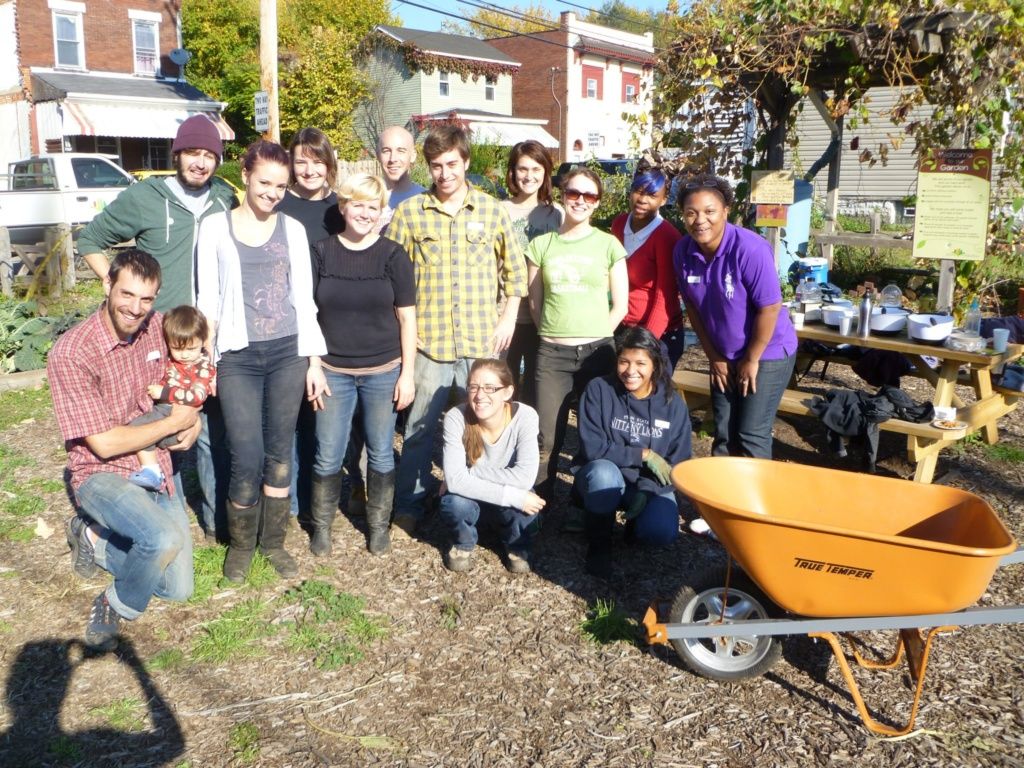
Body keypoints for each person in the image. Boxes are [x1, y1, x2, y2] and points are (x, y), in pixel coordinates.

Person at [78, 114, 235, 543]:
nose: (200, 163)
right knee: (159, 423)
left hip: (208, 336)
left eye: (209, 155)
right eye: (192, 153)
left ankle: (213, 520)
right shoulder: (147, 197)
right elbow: (90, 239)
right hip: (160, 337)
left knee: (206, 428)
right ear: (177, 154)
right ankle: (142, 512)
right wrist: (122, 294)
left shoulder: (225, 198)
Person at [49, 249, 201, 651]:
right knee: (162, 541)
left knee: (177, 587)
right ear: (106, 285)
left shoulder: (158, 329)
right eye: (127, 295)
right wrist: (174, 422)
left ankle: (96, 538)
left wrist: (194, 418)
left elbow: (185, 380)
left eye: (147, 299)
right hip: (100, 473)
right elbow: (104, 443)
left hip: (157, 463)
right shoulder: (72, 353)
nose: (136, 309)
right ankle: (114, 601)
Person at [196, 140, 328, 582]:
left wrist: (313, 361)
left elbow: (304, 300)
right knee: (245, 454)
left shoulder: (291, 229)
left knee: (279, 455)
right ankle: (240, 546)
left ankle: (272, 543)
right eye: (265, 183)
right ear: (246, 176)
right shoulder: (215, 228)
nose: (272, 193)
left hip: (287, 352)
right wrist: (207, 361)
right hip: (237, 355)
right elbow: (207, 301)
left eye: (281, 186)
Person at [387, 124, 527, 536]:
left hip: (479, 346)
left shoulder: (491, 210)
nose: (445, 173)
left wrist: (507, 317)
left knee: (483, 429)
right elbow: (392, 275)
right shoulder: (410, 213)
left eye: (452, 164)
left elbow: (514, 271)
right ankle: (409, 503)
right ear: (427, 167)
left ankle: (481, 499)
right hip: (429, 345)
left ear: (466, 162)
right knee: (417, 432)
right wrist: (402, 335)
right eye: (436, 166)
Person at [309, 173, 416, 556]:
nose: (365, 213)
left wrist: (408, 373)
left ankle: (377, 527)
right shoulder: (321, 252)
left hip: (383, 370)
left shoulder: (392, 255)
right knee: (329, 451)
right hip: (332, 372)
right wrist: (314, 364)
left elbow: (407, 318)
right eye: (358, 205)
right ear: (343, 206)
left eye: (373, 207)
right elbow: (307, 313)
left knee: (382, 450)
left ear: (382, 212)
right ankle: (321, 527)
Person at [673, 173, 797, 461]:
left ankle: (752, 505)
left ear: (725, 211)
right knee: (725, 430)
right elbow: (692, 307)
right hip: (724, 353)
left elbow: (770, 307)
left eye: (709, 211)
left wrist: (751, 358)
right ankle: (719, 503)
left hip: (766, 351)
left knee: (750, 433)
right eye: (691, 213)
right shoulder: (683, 251)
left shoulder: (750, 249)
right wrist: (714, 356)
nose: (699, 220)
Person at [527, 167, 629, 495]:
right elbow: (534, 303)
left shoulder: (609, 245)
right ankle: (536, 511)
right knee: (546, 438)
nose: (580, 201)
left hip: (597, 354)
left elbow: (621, 306)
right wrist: (555, 333)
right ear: (562, 195)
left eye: (589, 195)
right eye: (574, 193)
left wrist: (597, 335)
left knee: (594, 437)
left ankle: (584, 507)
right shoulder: (541, 245)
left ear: (597, 202)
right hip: (552, 355)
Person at [573, 326, 692, 577]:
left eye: (641, 363)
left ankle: (636, 524)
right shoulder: (599, 390)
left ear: (655, 365)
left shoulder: (672, 403)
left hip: (646, 484)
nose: (630, 371)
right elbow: (594, 448)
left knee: (661, 532)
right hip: (606, 476)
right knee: (603, 475)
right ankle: (599, 544)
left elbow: (677, 461)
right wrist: (644, 455)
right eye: (624, 361)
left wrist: (648, 490)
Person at [276, 128, 345, 521]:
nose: (309, 169)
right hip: (287, 321)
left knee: (322, 416)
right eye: (300, 161)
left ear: (328, 165)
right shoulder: (279, 205)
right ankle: (287, 502)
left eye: (317, 160)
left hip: (331, 324)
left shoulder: (340, 208)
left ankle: (317, 502)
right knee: (291, 417)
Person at [440, 359, 545, 573]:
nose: (480, 395)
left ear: (507, 392)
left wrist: (470, 473)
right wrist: (514, 497)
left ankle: (516, 543)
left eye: (490, 388)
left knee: (529, 507)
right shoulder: (455, 418)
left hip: (483, 489)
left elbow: (525, 478)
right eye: (474, 387)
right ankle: (464, 541)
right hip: (471, 498)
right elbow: (455, 481)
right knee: (455, 504)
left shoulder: (525, 416)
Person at [501, 140, 563, 407]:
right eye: (522, 169)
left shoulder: (557, 214)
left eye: (536, 169)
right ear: (513, 172)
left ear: (546, 172)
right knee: (505, 380)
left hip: (544, 313)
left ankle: (532, 439)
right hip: (505, 313)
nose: (529, 176)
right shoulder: (499, 210)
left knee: (538, 385)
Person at [128, 306, 216, 492]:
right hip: (165, 410)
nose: (185, 355)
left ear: (202, 341)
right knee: (146, 431)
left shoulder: (203, 367)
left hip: (172, 409)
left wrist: (165, 393)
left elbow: (197, 396)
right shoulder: (172, 360)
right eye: (177, 348)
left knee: (138, 428)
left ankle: (152, 472)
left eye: (192, 348)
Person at [611, 169, 686, 369]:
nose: (643, 199)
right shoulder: (619, 224)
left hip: (658, 334)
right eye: (638, 191)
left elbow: (665, 297)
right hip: (623, 327)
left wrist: (645, 346)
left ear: (663, 200)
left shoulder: (666, 236)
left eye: (652, 195)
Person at [376, 125, 426, 231]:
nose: (393, 158)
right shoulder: (366, 199)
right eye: (386, 151)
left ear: (413, 156)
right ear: (378, 155)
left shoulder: (425, 200)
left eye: (401, 151)